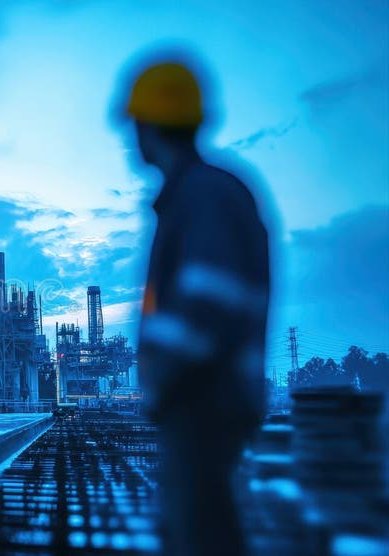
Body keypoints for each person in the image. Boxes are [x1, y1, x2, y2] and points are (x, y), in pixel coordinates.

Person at [121, 60, 270, 555]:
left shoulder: (203, 194)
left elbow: (208, 302)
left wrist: (162, 378)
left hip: (205, 396)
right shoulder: (195, 194)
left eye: (134, 122)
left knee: (201, 535)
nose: (130, 135)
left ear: (151, 123)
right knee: (194, 529)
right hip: (199, 398)